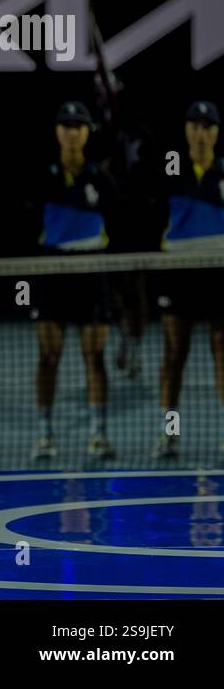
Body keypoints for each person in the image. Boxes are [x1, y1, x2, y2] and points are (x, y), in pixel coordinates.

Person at [29, 101, 119, 462]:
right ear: (57, 132)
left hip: (92, 273)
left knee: (95, 356)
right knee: (48, 357)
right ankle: (46, 434)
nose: (71, 131)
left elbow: (120, 224)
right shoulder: (41, 178)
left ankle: (99, 434)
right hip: (52, 275)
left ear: (87, 133)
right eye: (65, 125)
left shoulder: (102, 180)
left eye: (78, 126)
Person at [153, 101, 224, 461]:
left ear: (216, 132)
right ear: (185, 130)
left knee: (222, 353)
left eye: (208, 126)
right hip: (178, 273)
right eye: (195, 125)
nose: (201, 132)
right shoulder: (169, 166)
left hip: (218, 271)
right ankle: (170, 435)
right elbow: (145, 208)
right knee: (173, 357)